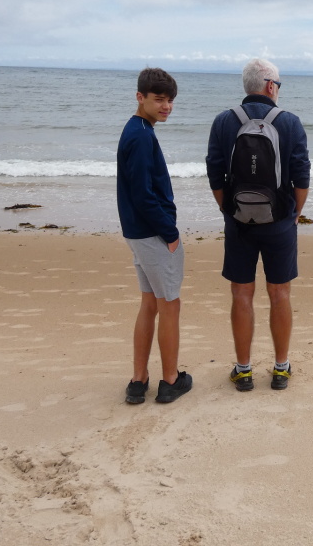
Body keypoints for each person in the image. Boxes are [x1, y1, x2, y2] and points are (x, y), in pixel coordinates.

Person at [206, 58, 310, 391]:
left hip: (238, 222)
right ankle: (281, 369)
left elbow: (215, 172)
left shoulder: (224, 121)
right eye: (278, 84)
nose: (278, 90)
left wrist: (227, 209)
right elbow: (301, 177)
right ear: (269, 85)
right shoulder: (290, 123)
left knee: (241, 293)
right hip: (279, 222)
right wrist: (294, 214)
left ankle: (244, 370)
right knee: (280, 293)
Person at [117, 67, 192, 404]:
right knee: (169, 305)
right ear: (140, 98)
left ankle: (138, 380)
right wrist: (170, 232)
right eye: (159, 99)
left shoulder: (136, 129)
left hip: (137, 233)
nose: (166, 106)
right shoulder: (142, 135)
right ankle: (171, 380)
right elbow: (144, 194)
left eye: (170, 100)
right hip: (152, 235)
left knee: (149, 303)